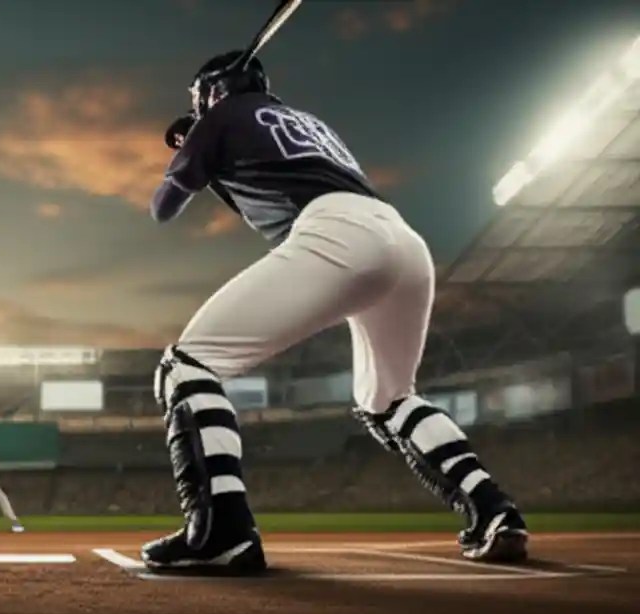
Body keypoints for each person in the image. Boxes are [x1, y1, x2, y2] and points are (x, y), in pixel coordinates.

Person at [142, 51, 529, 573]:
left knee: (186, 366)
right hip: (401, 240)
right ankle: (493, 509)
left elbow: (163, 207)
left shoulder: (220, 117)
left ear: (212, 93)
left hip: (337, 235)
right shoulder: (307, 123)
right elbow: (262, 194)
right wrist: (207, 150)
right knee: (390, 400)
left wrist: (195, 143)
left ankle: (221, 530)